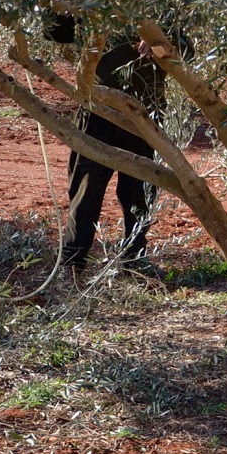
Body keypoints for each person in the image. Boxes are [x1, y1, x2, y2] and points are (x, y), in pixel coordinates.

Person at [47, 15, 165, 272]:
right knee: (86, 189)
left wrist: (159, 42)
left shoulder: (162, 2)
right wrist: (56, 3)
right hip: (97, 112)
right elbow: (55, 33)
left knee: (140, 193)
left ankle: (135, 261)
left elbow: (185, 47)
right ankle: (72, 262)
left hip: (145, 117)